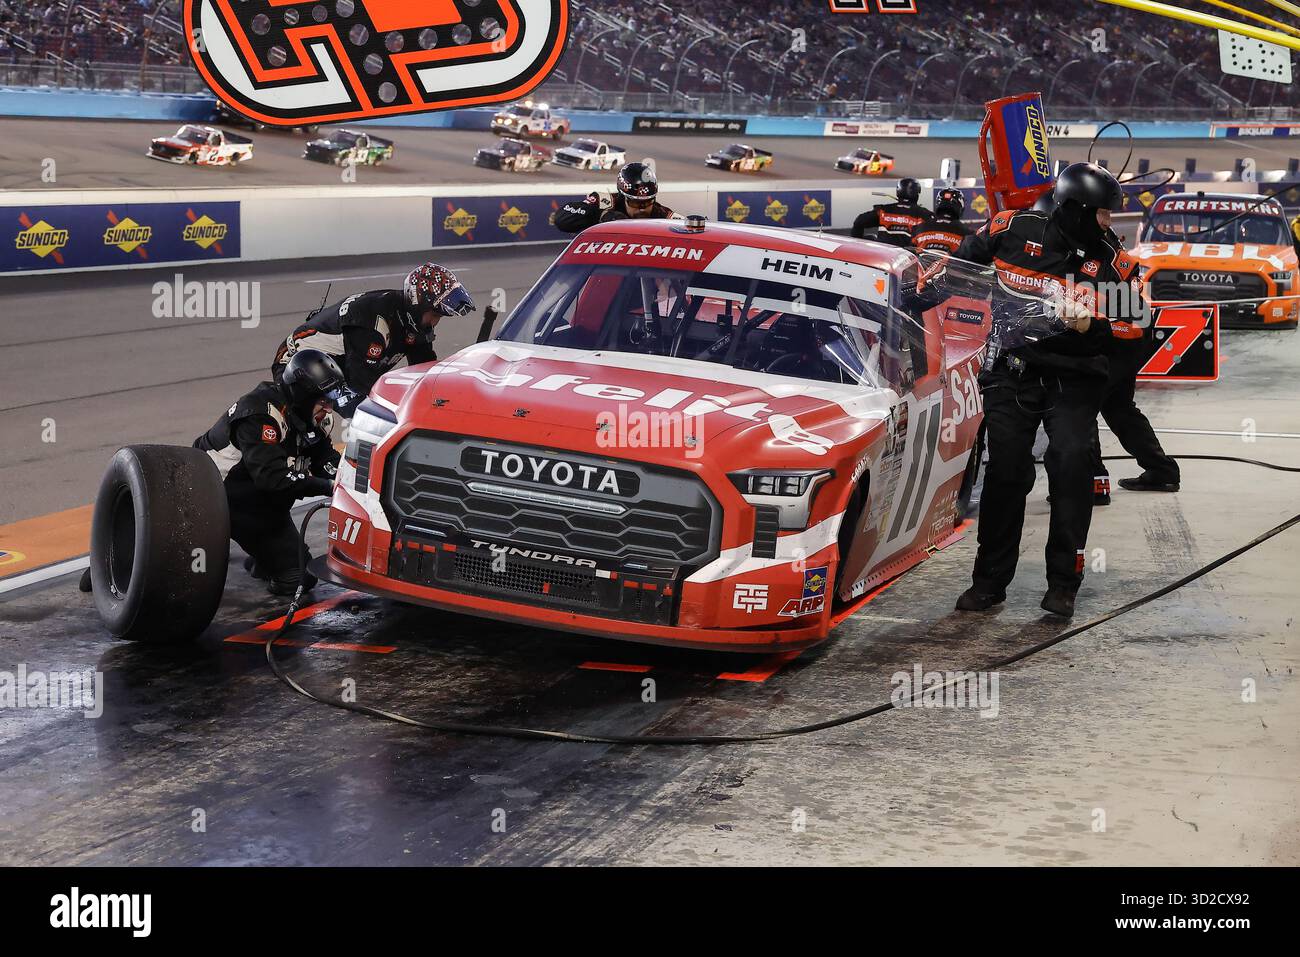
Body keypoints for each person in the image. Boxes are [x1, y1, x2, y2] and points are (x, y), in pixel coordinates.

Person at [953, 162, 1129, 618]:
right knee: (1007, 473)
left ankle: (1064, 585)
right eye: (1104, 214)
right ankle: (989, 583)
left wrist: (1092, 324)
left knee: (1070, 464)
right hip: (1011, 373)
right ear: (1075, 209)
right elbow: (956, 266)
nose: (1110, 223)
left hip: (1075, 380)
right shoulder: (1012, 226)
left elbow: (1135, 327)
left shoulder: (1112, 261)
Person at [195, 349, 353, 596]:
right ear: (303, 396)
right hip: (216, 497)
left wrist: (350, 477)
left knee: (300, 574)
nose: (330, 409)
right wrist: (328, 487)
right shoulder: (260, 415)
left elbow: (326, 458)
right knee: (296, 578)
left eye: (332, 399)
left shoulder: (316, 418)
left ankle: (264, 558)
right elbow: (272, 479)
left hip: (261, 502)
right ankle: (253, 554)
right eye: (324, 400)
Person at [272, 262, 474, 415]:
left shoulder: (414, 321)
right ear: (418, 305)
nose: (435, 322)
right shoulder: (374, 323)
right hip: (296, 366)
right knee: (358, 415)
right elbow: (361, 393)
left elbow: (425, 373)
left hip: (342, 372)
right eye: (435, 315)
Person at [555, 161, 675, 233]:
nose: (642, 209)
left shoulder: (663, 216)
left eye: (648, 202)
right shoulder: (605, 202)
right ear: (623, 197)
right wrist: (601, 215)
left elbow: (687, 226)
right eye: (635, 203)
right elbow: (562, 219)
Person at [852, 177, 932, 247]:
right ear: (917, 193)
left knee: (871, 238)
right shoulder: (924, 214)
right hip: (909, 258)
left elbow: (859, 221)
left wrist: (858, 245)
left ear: (898, 192)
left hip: (884, 256)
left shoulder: (883, 211)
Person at [909, 187, 970, 253]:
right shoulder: (967, 233)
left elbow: (910, 255)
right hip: (951, 263)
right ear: (960, 206)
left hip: (922, 263)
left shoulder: (918, 228)